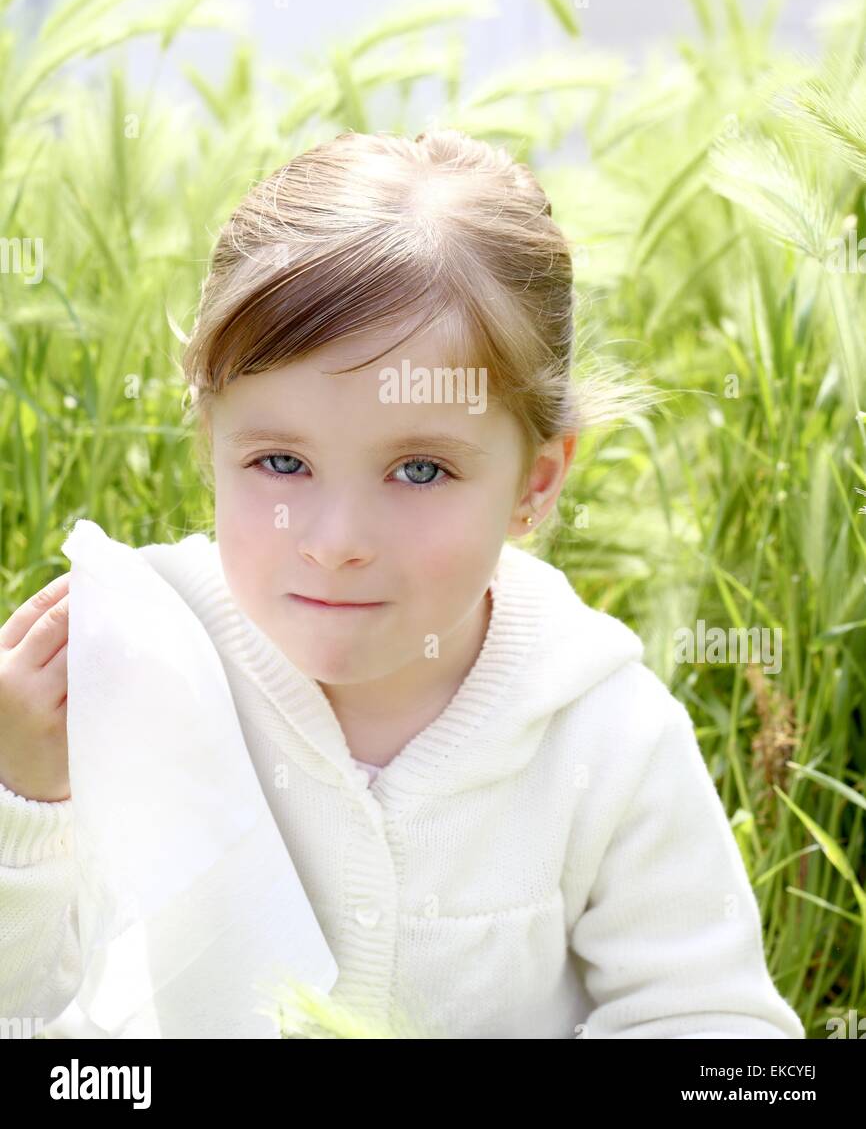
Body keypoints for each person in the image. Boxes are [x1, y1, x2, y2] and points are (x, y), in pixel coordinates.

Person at [0, 128, 805, 1039]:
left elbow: (722, 1032)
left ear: (534, 485)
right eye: (279, 462)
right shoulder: (129, 667)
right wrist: (22, 803)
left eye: (419, 471)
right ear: (210, 448)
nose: (337, 542)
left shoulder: (605, 733)